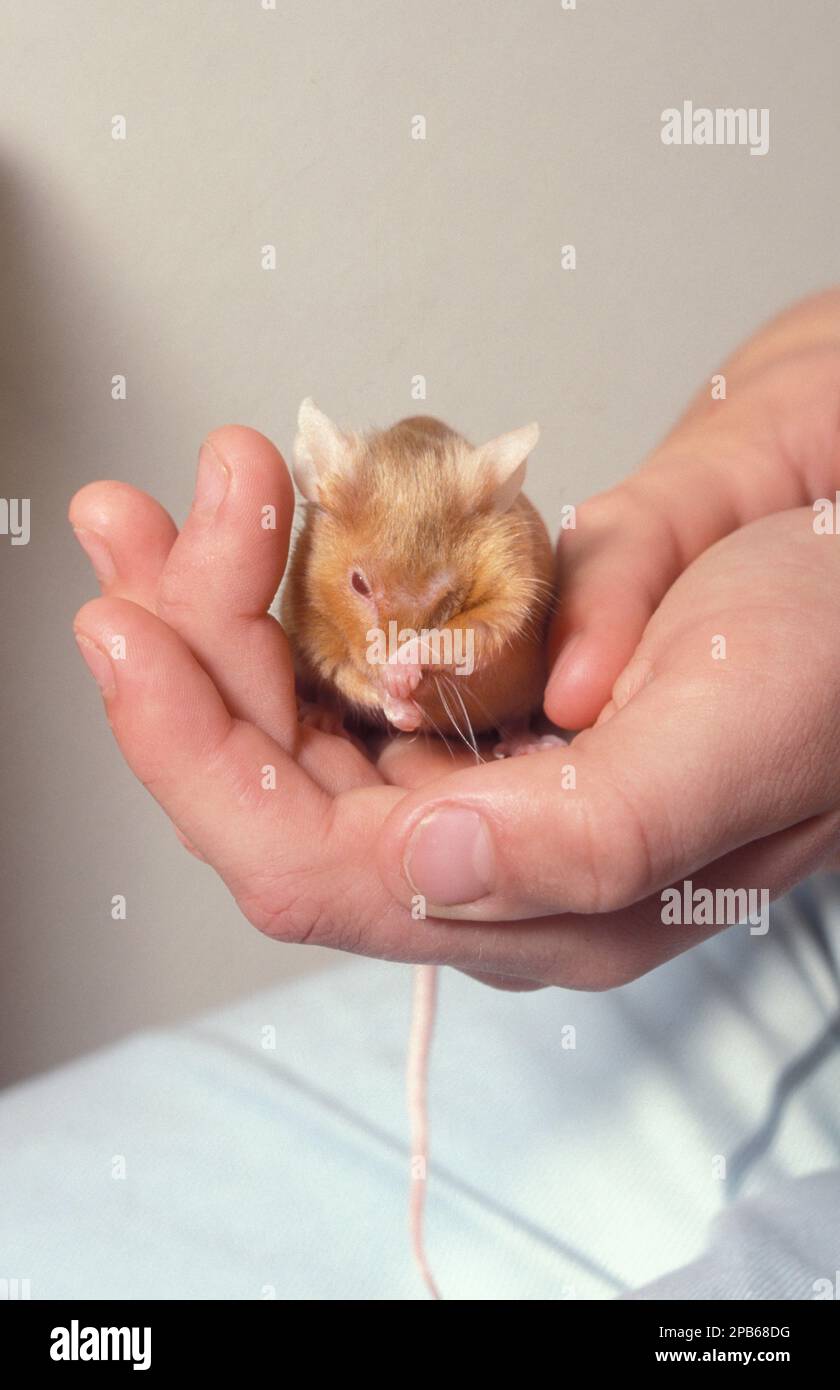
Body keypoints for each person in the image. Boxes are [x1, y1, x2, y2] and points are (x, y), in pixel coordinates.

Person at [69, 288, 840, 988]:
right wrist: (754, 457)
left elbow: (504, 626)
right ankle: (349, 719)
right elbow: (322, 643)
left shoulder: (497, 529)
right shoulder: (326, 540)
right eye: (367, 591)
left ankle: (516, 725)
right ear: (323, 490)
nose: (392, 627)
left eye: (431, 598)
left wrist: (442, 654)